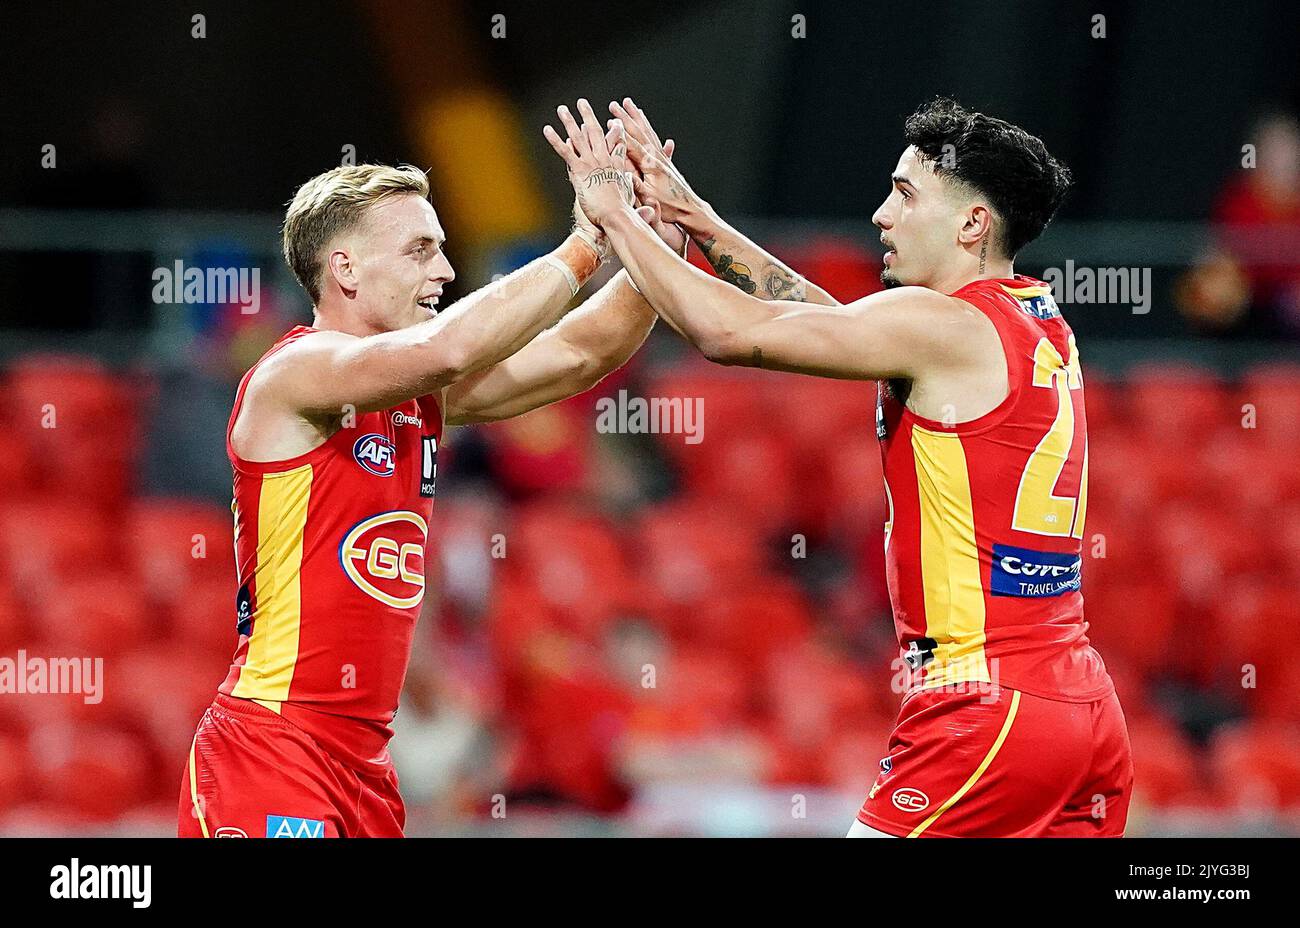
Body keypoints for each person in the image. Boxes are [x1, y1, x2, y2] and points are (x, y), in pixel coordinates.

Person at [545, 96, 1132, 837]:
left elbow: (727, 333)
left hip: (986, 708)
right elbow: (819, 319)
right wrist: (693, 216)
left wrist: (615, 215)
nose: (882, 215)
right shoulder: (1030, 318)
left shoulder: (942, 324)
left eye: (905, 194)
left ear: (972, 223)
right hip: (1080, 708)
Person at [180, 123, 685, 837]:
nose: (445, 272)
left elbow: (580, 353)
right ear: (346, 269)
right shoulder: (293, 373)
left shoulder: (416, 392)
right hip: (274, 748)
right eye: (421, 250)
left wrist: (651, 245)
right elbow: (448, 348)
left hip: (364, 766)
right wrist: (583, 242)